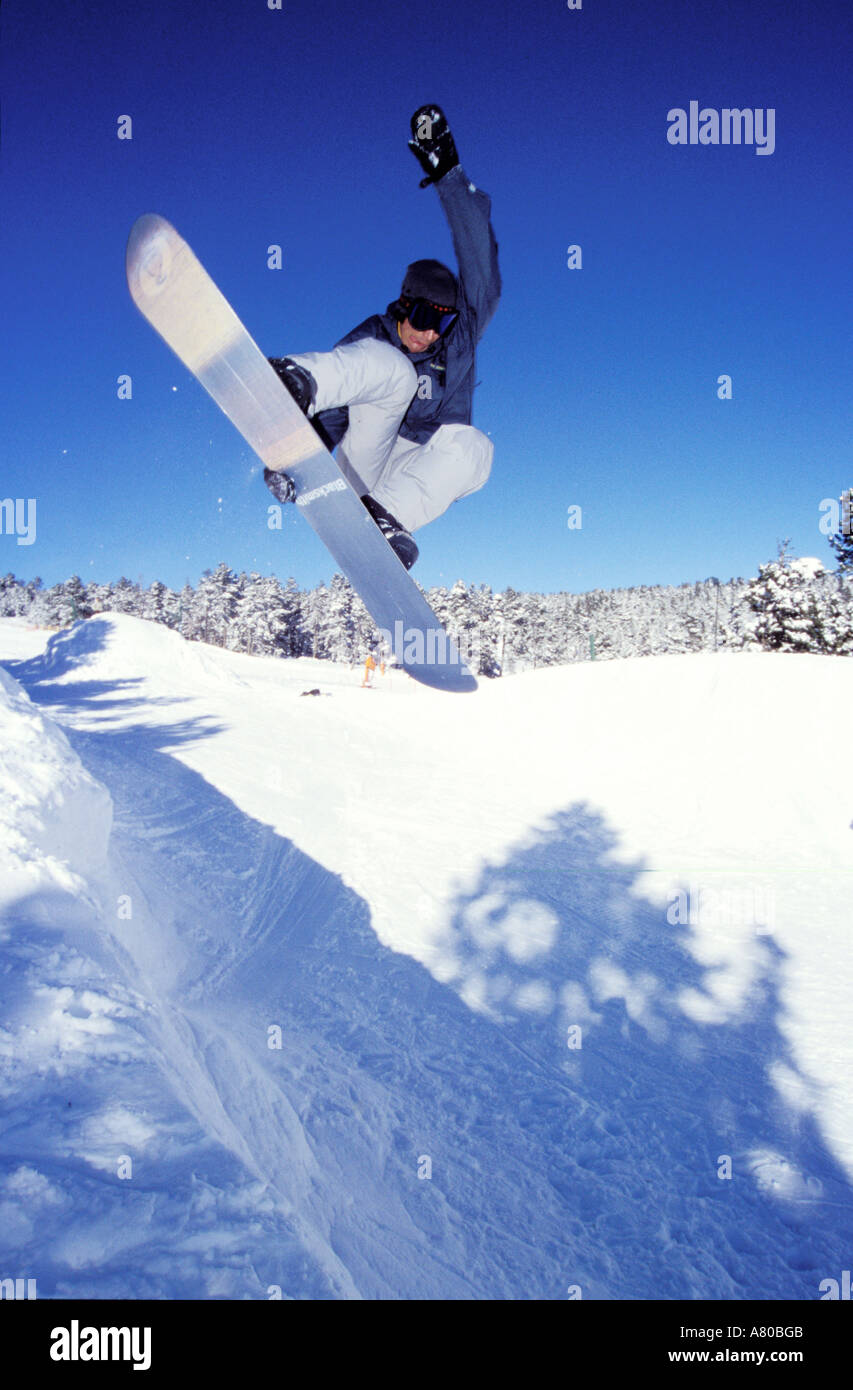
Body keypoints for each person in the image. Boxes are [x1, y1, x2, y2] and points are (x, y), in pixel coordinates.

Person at [264, 104, 501, 570]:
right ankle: (295, 380)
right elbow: (336, 415)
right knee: (393, 372)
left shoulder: (458, 342)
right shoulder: (376, 336)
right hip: (361, 461)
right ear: (402, 304)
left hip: (398, 487)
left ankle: (383, 524)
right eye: (419, 315)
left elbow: (482, 269)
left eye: (442, 322)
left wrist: (448, 175)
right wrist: (295, 461)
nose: (428, 332)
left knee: (477, 450)